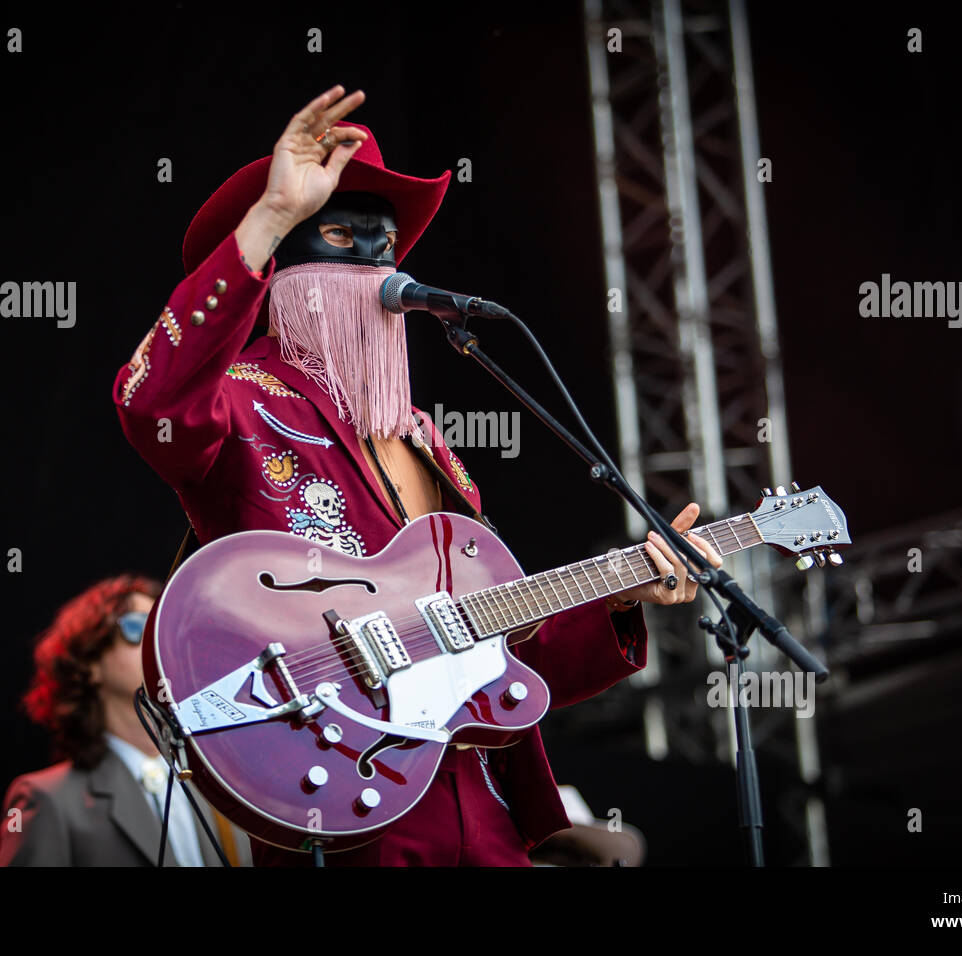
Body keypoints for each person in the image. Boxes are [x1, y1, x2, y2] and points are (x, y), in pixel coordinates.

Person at [113, 86, 722, 866]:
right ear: (284, 270)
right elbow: (150, 401)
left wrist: (627, 589)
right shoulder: (242, 402)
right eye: (341, 236)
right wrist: (266, 219)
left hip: (485, 812)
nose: (375, 269)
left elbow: (507, 662)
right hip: (337, 793)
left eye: (389, 249)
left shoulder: (431, 447)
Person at [0, 574, 253, 866]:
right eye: (136, 627)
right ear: (89, 664)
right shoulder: (46, 799)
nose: (156, 642)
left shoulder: (219, 783)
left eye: (162, 629)